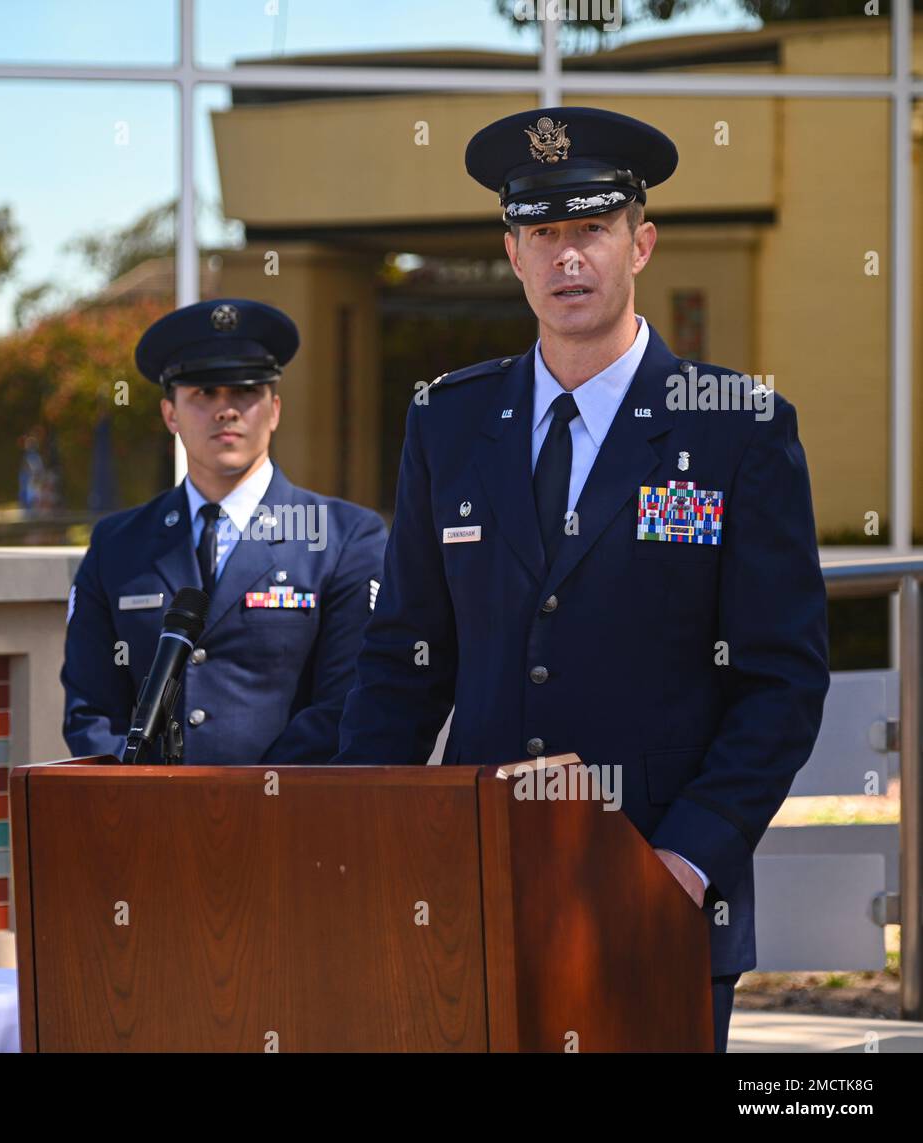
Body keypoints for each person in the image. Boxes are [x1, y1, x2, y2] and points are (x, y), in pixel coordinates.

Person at [334, 107, 830, 1052]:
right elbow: (403, 657)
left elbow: (782, 683)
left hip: (659, 902)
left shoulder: (738, 426)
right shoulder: (448, 423)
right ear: (513, 254)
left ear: (640, 244)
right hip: (477, 895)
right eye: (544, 233)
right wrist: (366, 838)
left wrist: (684, 862)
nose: (569, 258)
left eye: (592, 229)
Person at [62, 298, 387, 765]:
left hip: (288, 818)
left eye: (245, 392)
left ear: (274, 410)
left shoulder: (344, 537)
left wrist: (248, 802)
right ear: (170, 415)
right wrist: (136, 798)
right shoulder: (119, 543)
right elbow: (91, 710)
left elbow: (348, 703)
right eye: (204, 393)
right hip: (149, 823)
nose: (226, 410)